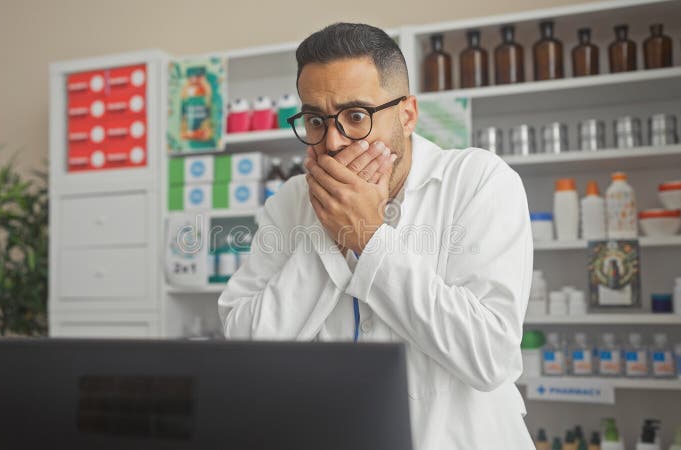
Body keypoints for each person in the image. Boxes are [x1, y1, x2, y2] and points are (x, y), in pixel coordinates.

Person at [218, 23, 534, 449]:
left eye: (355, 116)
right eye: (315, 119)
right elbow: (246, 350)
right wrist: (329, 230)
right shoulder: (291, 201)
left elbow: (488, 357)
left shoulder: (479, 180)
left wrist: (366, 235)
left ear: (406, 115)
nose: (331, 141)